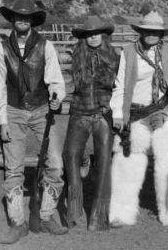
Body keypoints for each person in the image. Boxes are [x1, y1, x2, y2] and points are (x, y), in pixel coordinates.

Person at [109, 10, 168, 227]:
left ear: (162, 34)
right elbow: (119, 84)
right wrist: (118, 114)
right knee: (127, 162)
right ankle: (121, 213)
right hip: (135, 112)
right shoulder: (128, 53)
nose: (152, 35)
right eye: (148, 30)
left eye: (156, 31)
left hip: (162, 111)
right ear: (141, 31)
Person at [0, 0, 67, 244]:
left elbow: (55, 80)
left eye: (27, 16)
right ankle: (17, 222)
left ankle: (46, 215)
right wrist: (2, 120)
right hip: (13, 111)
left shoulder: (45, 46)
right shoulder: (1, 49)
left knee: (55, 164)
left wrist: (57, 97)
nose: (22, 19)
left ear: (32, 20)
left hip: (41, 110)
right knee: (13, 168)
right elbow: (0, 88)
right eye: (18, 15)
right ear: (13, 19)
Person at [63, 16, 120, 231]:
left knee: (104, 164)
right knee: (70, 155)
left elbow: (120, 86)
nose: (93, 37)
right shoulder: (76, 56)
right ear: (84, 37)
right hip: (79, 112)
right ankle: (74, 207)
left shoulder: (115, 58)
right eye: (89, 34)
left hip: (103, 115)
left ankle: (99, 216)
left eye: (96, 33)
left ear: (103, 36)